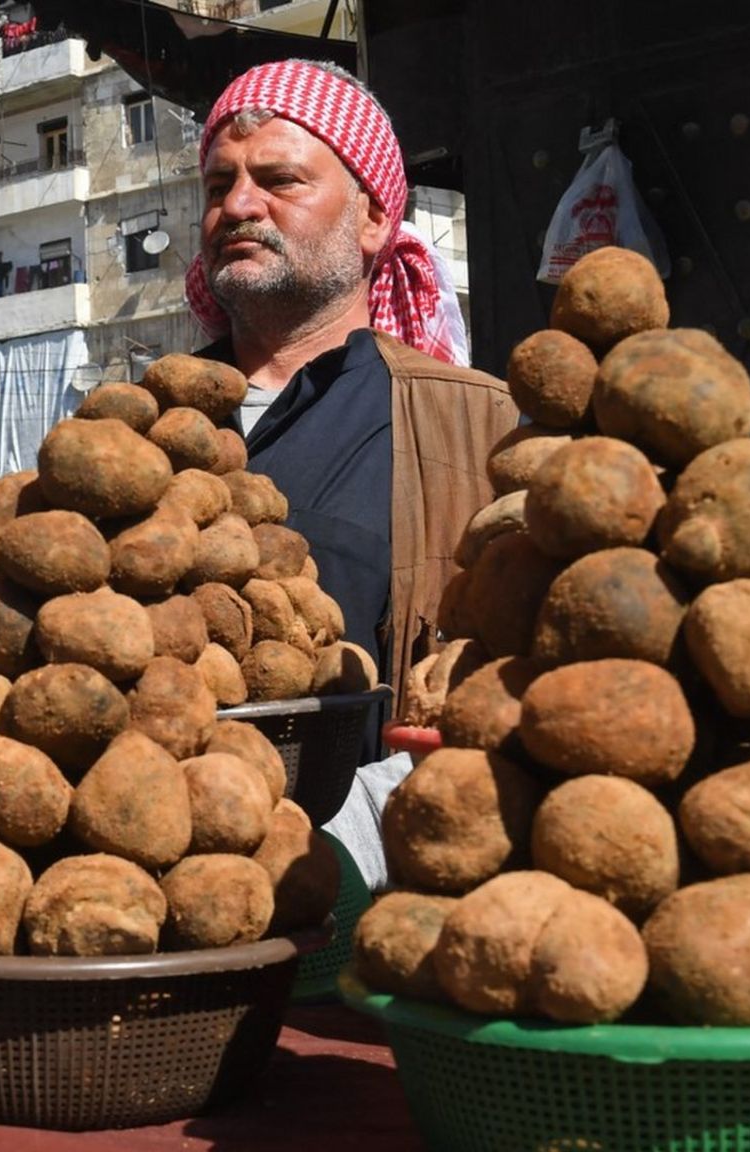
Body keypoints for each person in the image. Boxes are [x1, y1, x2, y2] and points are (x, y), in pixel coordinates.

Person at [186, 60, 521, 884]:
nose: (237, 205)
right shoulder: (146, 424)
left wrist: (354, 846)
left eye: (279, 179)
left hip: (385, 896)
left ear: (374, 217)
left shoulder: (479, 426)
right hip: (163, 889)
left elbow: (522, 691)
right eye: (220, 182)